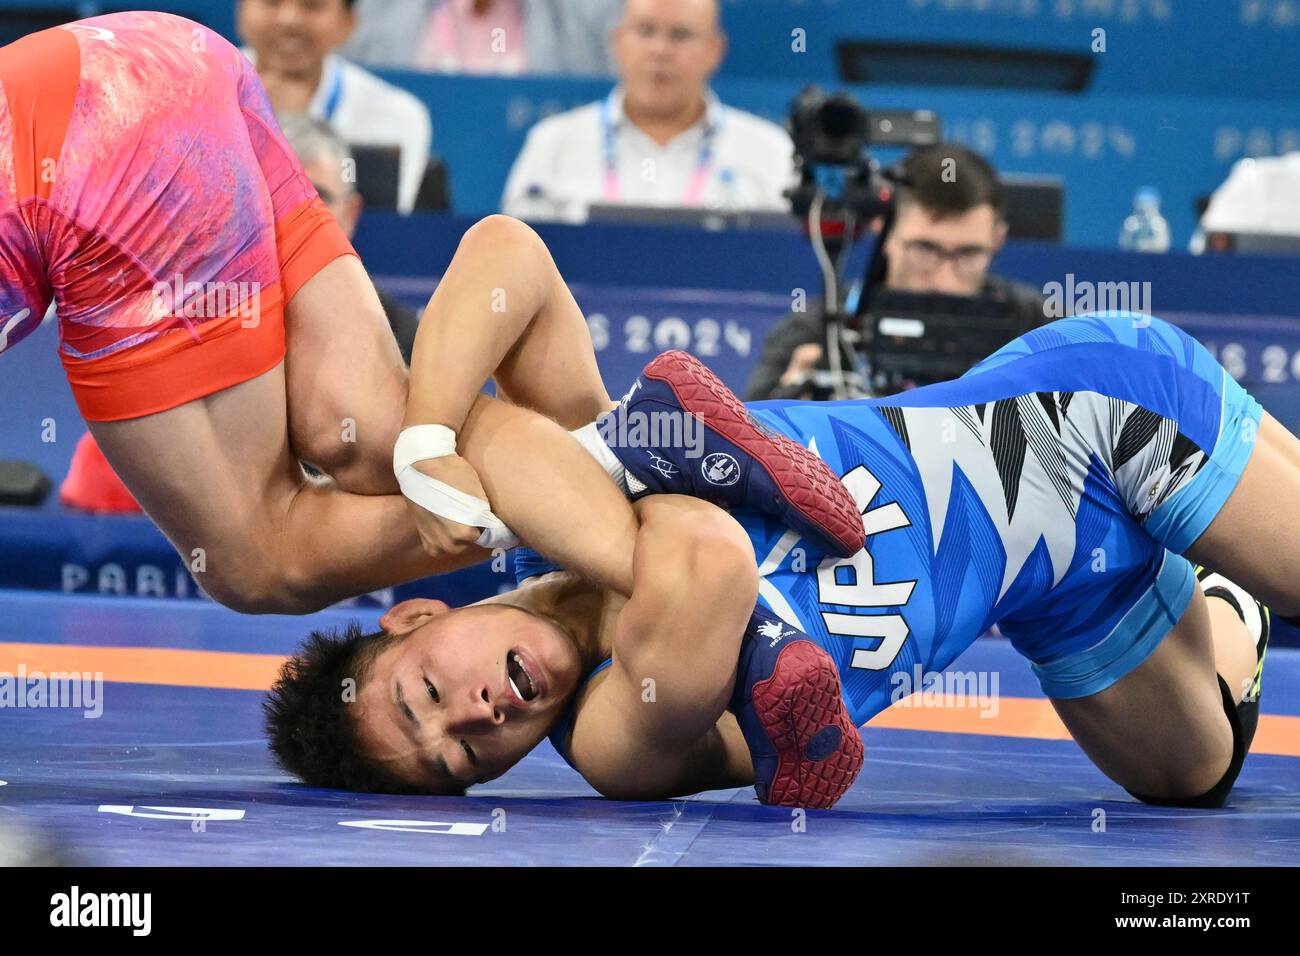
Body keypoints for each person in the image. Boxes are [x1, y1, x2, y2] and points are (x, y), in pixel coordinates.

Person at [267, 214, 1295, 813]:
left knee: (513, 446)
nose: (473, 716)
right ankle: (1226, 608)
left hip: (1074, 418)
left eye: (421, 697)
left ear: (413, 618)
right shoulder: (615, 740)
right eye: (461, 755)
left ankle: (654, 447)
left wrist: (433, 437)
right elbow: (709, 559)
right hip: (1062, 590)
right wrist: (605, 472)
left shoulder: (542, 481)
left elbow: (508, 257)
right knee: (1196, 777)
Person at [6, 12, 850, 616]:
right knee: (371, 439)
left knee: (258, 559)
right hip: (169, 53)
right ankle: (641, 448)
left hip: (90, 147)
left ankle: (672, 549)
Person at [747, 143, 1048, 401]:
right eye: (925, 249)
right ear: (883, 230)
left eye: (968, 253)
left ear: (997, 241)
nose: (943, 281)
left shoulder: (1038, 328)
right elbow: (744, 452)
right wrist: (787, 408)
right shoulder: (821, 330)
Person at [500, 0, 795, 223]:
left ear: (714, 50)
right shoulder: (552, 143)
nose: (660, 50)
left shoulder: (769, 152)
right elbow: (515, 261)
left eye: (680, 35)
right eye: (645, 31)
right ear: (618, 41)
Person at [236, 0, 433, 214]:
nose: (289, 20)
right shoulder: (200, 90)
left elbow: (385, 228)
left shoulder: (396, 117)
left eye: (312, 6)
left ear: (349, 22)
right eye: (272, 3)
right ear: (241, 10)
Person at [276, 112, 421, 363]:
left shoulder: (399, 335)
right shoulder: (218, 319)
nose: (296, 217)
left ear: (350, 214)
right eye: (279, 196)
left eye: (318, 198)